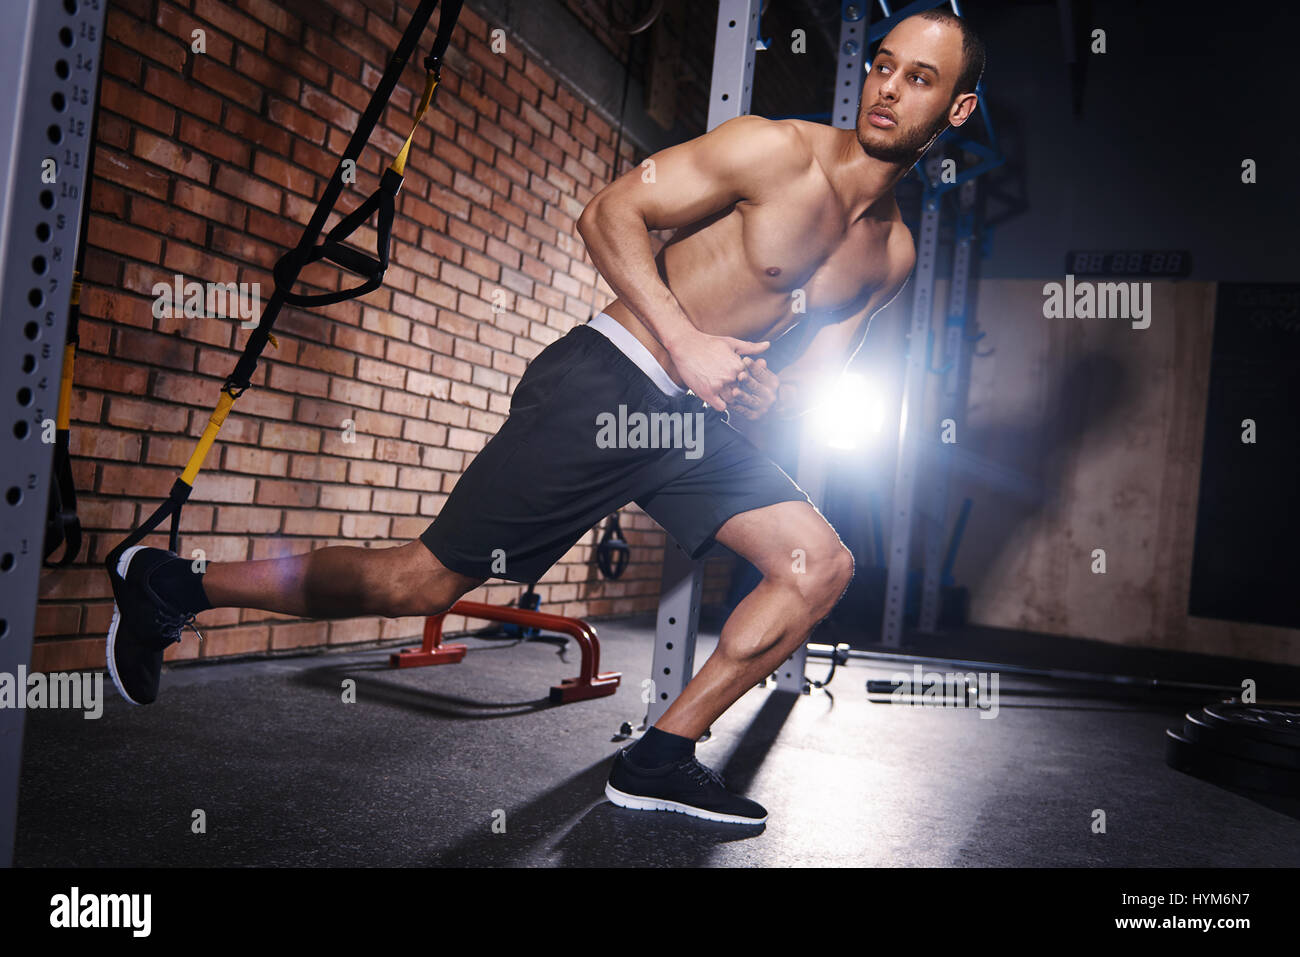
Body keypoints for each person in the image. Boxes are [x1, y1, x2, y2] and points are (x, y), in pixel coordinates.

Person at [106, 11, 982, 826]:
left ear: (957, 106)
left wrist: (773, 397)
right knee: (420, 584)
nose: (888, 88)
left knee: (818, 565)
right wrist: (684, 341)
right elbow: (609, 212)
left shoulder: (893, 253)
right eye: (881, 65)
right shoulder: (774, 150)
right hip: (611, 379)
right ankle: (173, 585)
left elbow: (815, 380)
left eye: (919, 77)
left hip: (692, 424)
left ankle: (661, 755)